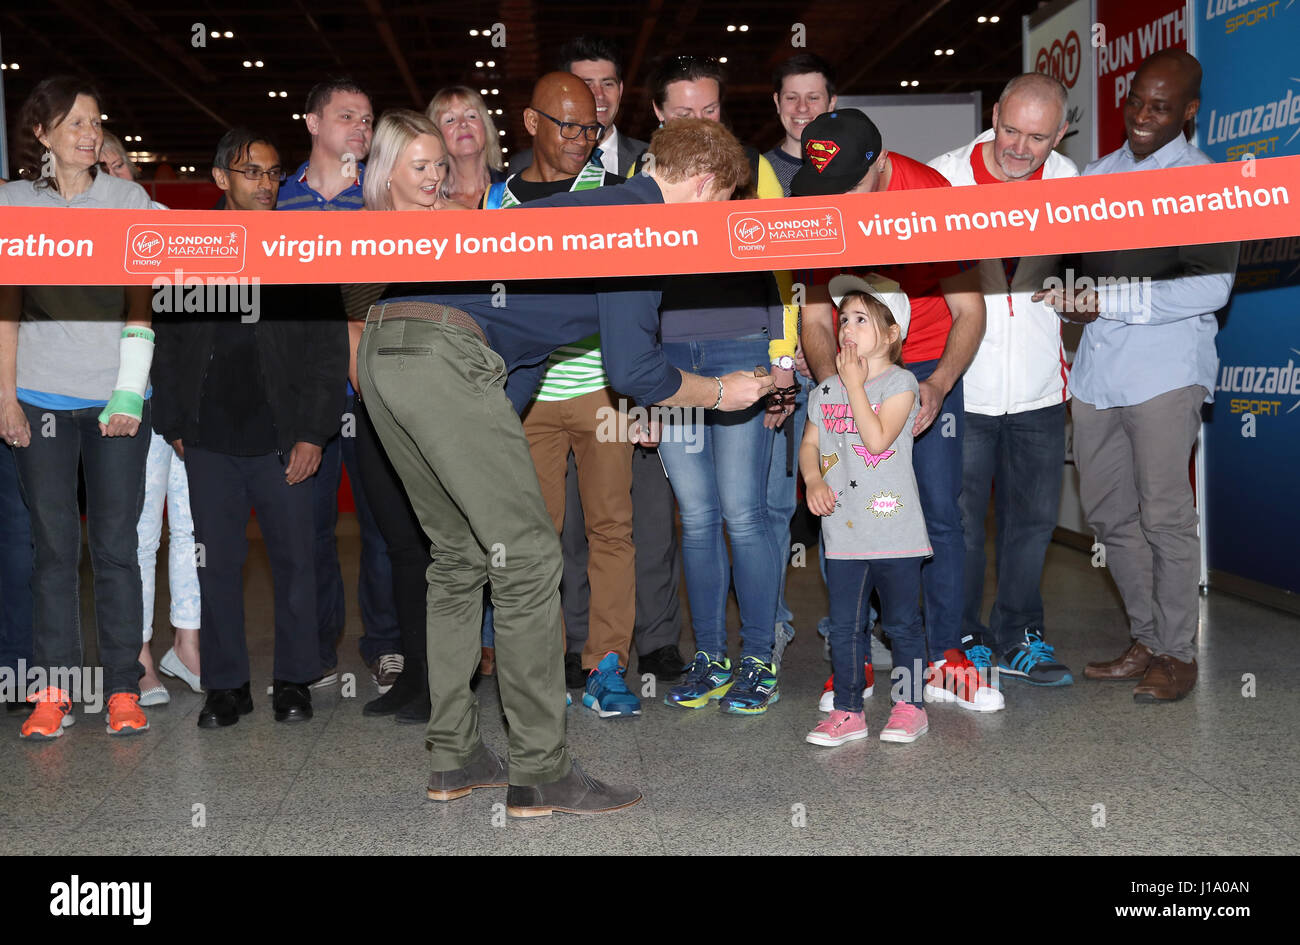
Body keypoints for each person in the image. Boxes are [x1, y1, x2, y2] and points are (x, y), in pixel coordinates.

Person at [358, 118, 769, 816]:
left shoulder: (586, 208)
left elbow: (522, 350)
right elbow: (635, 368)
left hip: (388, 344)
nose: (719, 221)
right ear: (704, 185)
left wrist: (490, 420)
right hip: (445, 355)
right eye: (724, 204)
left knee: (459, 557)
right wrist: (723, 393)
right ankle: (542, 769)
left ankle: (454, 755)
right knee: (527, 561)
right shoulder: (645, 226)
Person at [1034, 49, 1237, 702]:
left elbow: (1209, 288)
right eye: (1134, 103)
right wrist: (1063, 286)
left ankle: (1179, 654)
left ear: (1189, 112)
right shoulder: (1099, 175)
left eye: (1159, 106)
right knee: (1112, 516)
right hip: (1098, 373)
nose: (1143, 117)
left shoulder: (1208, 182)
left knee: (1165, 517)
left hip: (1166, 372)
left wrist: (1105, 299)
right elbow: (1080, 266)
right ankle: (1147, 638)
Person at [793, 109, 1002, 713]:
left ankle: (943, 657)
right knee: (844, 517)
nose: (834, 204)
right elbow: (813, 316)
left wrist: (935, 385)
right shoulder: (818, 201)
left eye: (846, 191)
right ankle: (850, 661)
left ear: (880, 167)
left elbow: (970, 312)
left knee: (938, 513)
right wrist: (839, 392)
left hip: (925, 368)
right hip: (850, 374)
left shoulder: (932, 197)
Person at [151, 128, 349, 728]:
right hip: (209, 440)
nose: (265, 184)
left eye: (271, 173)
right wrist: (176, 420)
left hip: (283, 440)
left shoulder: (299, 247)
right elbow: (169, 341)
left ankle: (293, 681)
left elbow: (325, 350)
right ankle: (225, 686)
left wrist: (315, 433)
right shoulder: (189, 248)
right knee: (217, 565)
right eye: (250, 172)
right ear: (220, 179)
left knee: (295, 563)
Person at [0, 76, 155, 739]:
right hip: (40, 396)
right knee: (54, 551)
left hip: (116, 398)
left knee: (117, 549)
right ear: (41, 135)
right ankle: (53, 691)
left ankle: (122, 686)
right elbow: (5, 309)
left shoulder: (128, 198)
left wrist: (129, 389)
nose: (90, 135)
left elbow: (142, 302)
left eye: (96, 123)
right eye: (75, 124)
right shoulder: (13, 203)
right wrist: (4, 396)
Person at [642, 56, 797, 717]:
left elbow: (786, 274)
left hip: (741, 348)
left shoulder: (746, 171)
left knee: (745, 513)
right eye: (684, 111)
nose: (698, 122)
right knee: (698, 520)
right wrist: (640, 387)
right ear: (658, 115)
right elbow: (629, 295)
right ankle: (710, 655)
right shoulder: (642, 182)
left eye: (708, 109)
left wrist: (783, 363)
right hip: (673, 359)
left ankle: (759, 655)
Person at [485, 73, 643, 718]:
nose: (582, 139)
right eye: (568, 126)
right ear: (531, 123)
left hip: (604, 392)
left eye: (592, 129)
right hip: (527, 397)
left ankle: (607, 667)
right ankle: (540, 672)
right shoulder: (496, 202)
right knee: (533, 540)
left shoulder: (614, 194)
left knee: (611, 531)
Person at [929, 73, 1077, 688]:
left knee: (1033, 520)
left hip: (1042, 387)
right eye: (1009, 129)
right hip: (966, 384)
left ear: (1062, 133)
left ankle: (1021, 633)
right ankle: (963, 637)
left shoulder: (1074, 185)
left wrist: (1081, 294)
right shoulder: (943, 179)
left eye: (1037, 137)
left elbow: (1094, 275)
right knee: (960, 522)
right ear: (992, 114)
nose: (1019, 147)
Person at [278, 76, 402, 694]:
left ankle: (384, 646)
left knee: (383, 527)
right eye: (347, 115)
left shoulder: (381, 204)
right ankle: (317, 650)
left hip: (373, 388)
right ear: (312, 121)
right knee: (310, 528)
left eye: (368, 118)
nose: (360, 127)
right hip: (305, 397)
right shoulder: (278, 203)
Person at [350, 109, 464, 724]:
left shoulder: (457, 224)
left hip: (444, 408)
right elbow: (351, 327)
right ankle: (414, 677)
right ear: (386, 169)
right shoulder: (361, 233)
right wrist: (369, 397)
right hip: (378, 410)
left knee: (447, 549)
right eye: (419, 165)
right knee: (399, 547)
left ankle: (447, 685)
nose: (432, 177)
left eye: (438, 165)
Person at [802, 276, 932, 746]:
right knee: (845, 626)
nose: (847, 328)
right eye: (843, 319)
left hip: (894, 531)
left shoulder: (902, 383)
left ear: (892, 332)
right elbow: (812, 443)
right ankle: (848, 711)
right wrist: (814, 479)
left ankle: (910, 705)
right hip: (845, 534)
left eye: (861, 319)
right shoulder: (826, 390)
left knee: (901, 623)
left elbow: (877, 439)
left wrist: (855, 384)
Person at [99, 131, 203, 706]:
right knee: (139, 530)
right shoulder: (81, 227)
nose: (110, 174)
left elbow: (191, 323)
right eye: (99, 167)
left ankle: (187, 644)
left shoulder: (162, 221)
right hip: (123, 400)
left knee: (193, 526)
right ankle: (138, 653)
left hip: (178, 398)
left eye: (117, 163)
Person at [764, 52, 839, 662]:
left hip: (847, 370)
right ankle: (772, 626)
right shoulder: (756, 173)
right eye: (791, 97)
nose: (802, 109)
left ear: (831, 105)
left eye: (813, 98)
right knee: (771, 508)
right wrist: (784, 358)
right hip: (778, 369)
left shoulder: (857, 172)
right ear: (777, 105)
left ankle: (851, 625)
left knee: (847, 502)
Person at [510, 36, 648, 177]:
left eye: (607, 84)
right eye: (586, 85)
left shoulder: (651, 160)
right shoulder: (524, 164)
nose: (599, 95)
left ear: (621, 90)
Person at [426, 86, 508, 211]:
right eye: (450, 120)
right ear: (436, 136)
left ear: (485, 127)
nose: (463, 123)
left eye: (471, 116)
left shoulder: (512, 191)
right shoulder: (427, 202)